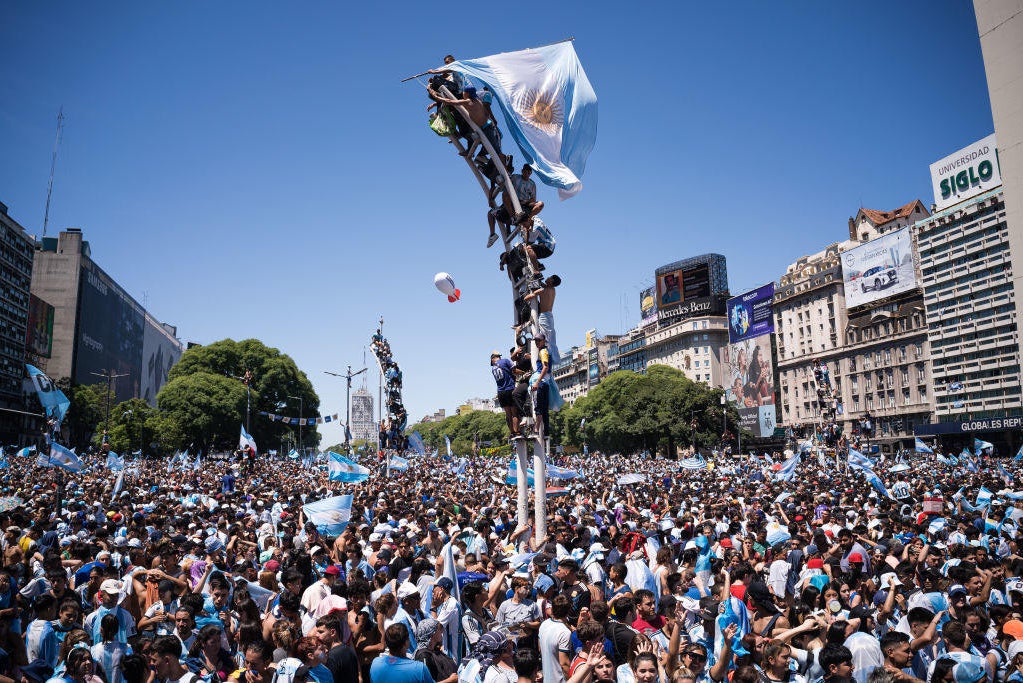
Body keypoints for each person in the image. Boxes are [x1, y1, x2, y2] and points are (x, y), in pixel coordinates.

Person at [521, 275, 562, 365]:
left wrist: (526, 296)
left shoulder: (543, 290)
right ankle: (554, 359)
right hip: (549, 316)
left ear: (551, 281)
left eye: (550, 277)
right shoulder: (552, 290)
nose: (547, 277)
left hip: (544, 316)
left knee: (545, 339)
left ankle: (549, 359)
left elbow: (528, 297)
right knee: (551, 339)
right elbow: (544, 286)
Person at [491, 351, 521, 439]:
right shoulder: (505, 361)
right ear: (498, 356)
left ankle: (511, 432)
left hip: (500, 392)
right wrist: (524, 372)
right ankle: (517, 432)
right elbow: (514, 370)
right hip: (509, 389)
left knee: (508, 414)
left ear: (493, 359)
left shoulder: (493, 368)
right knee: (514, 413)